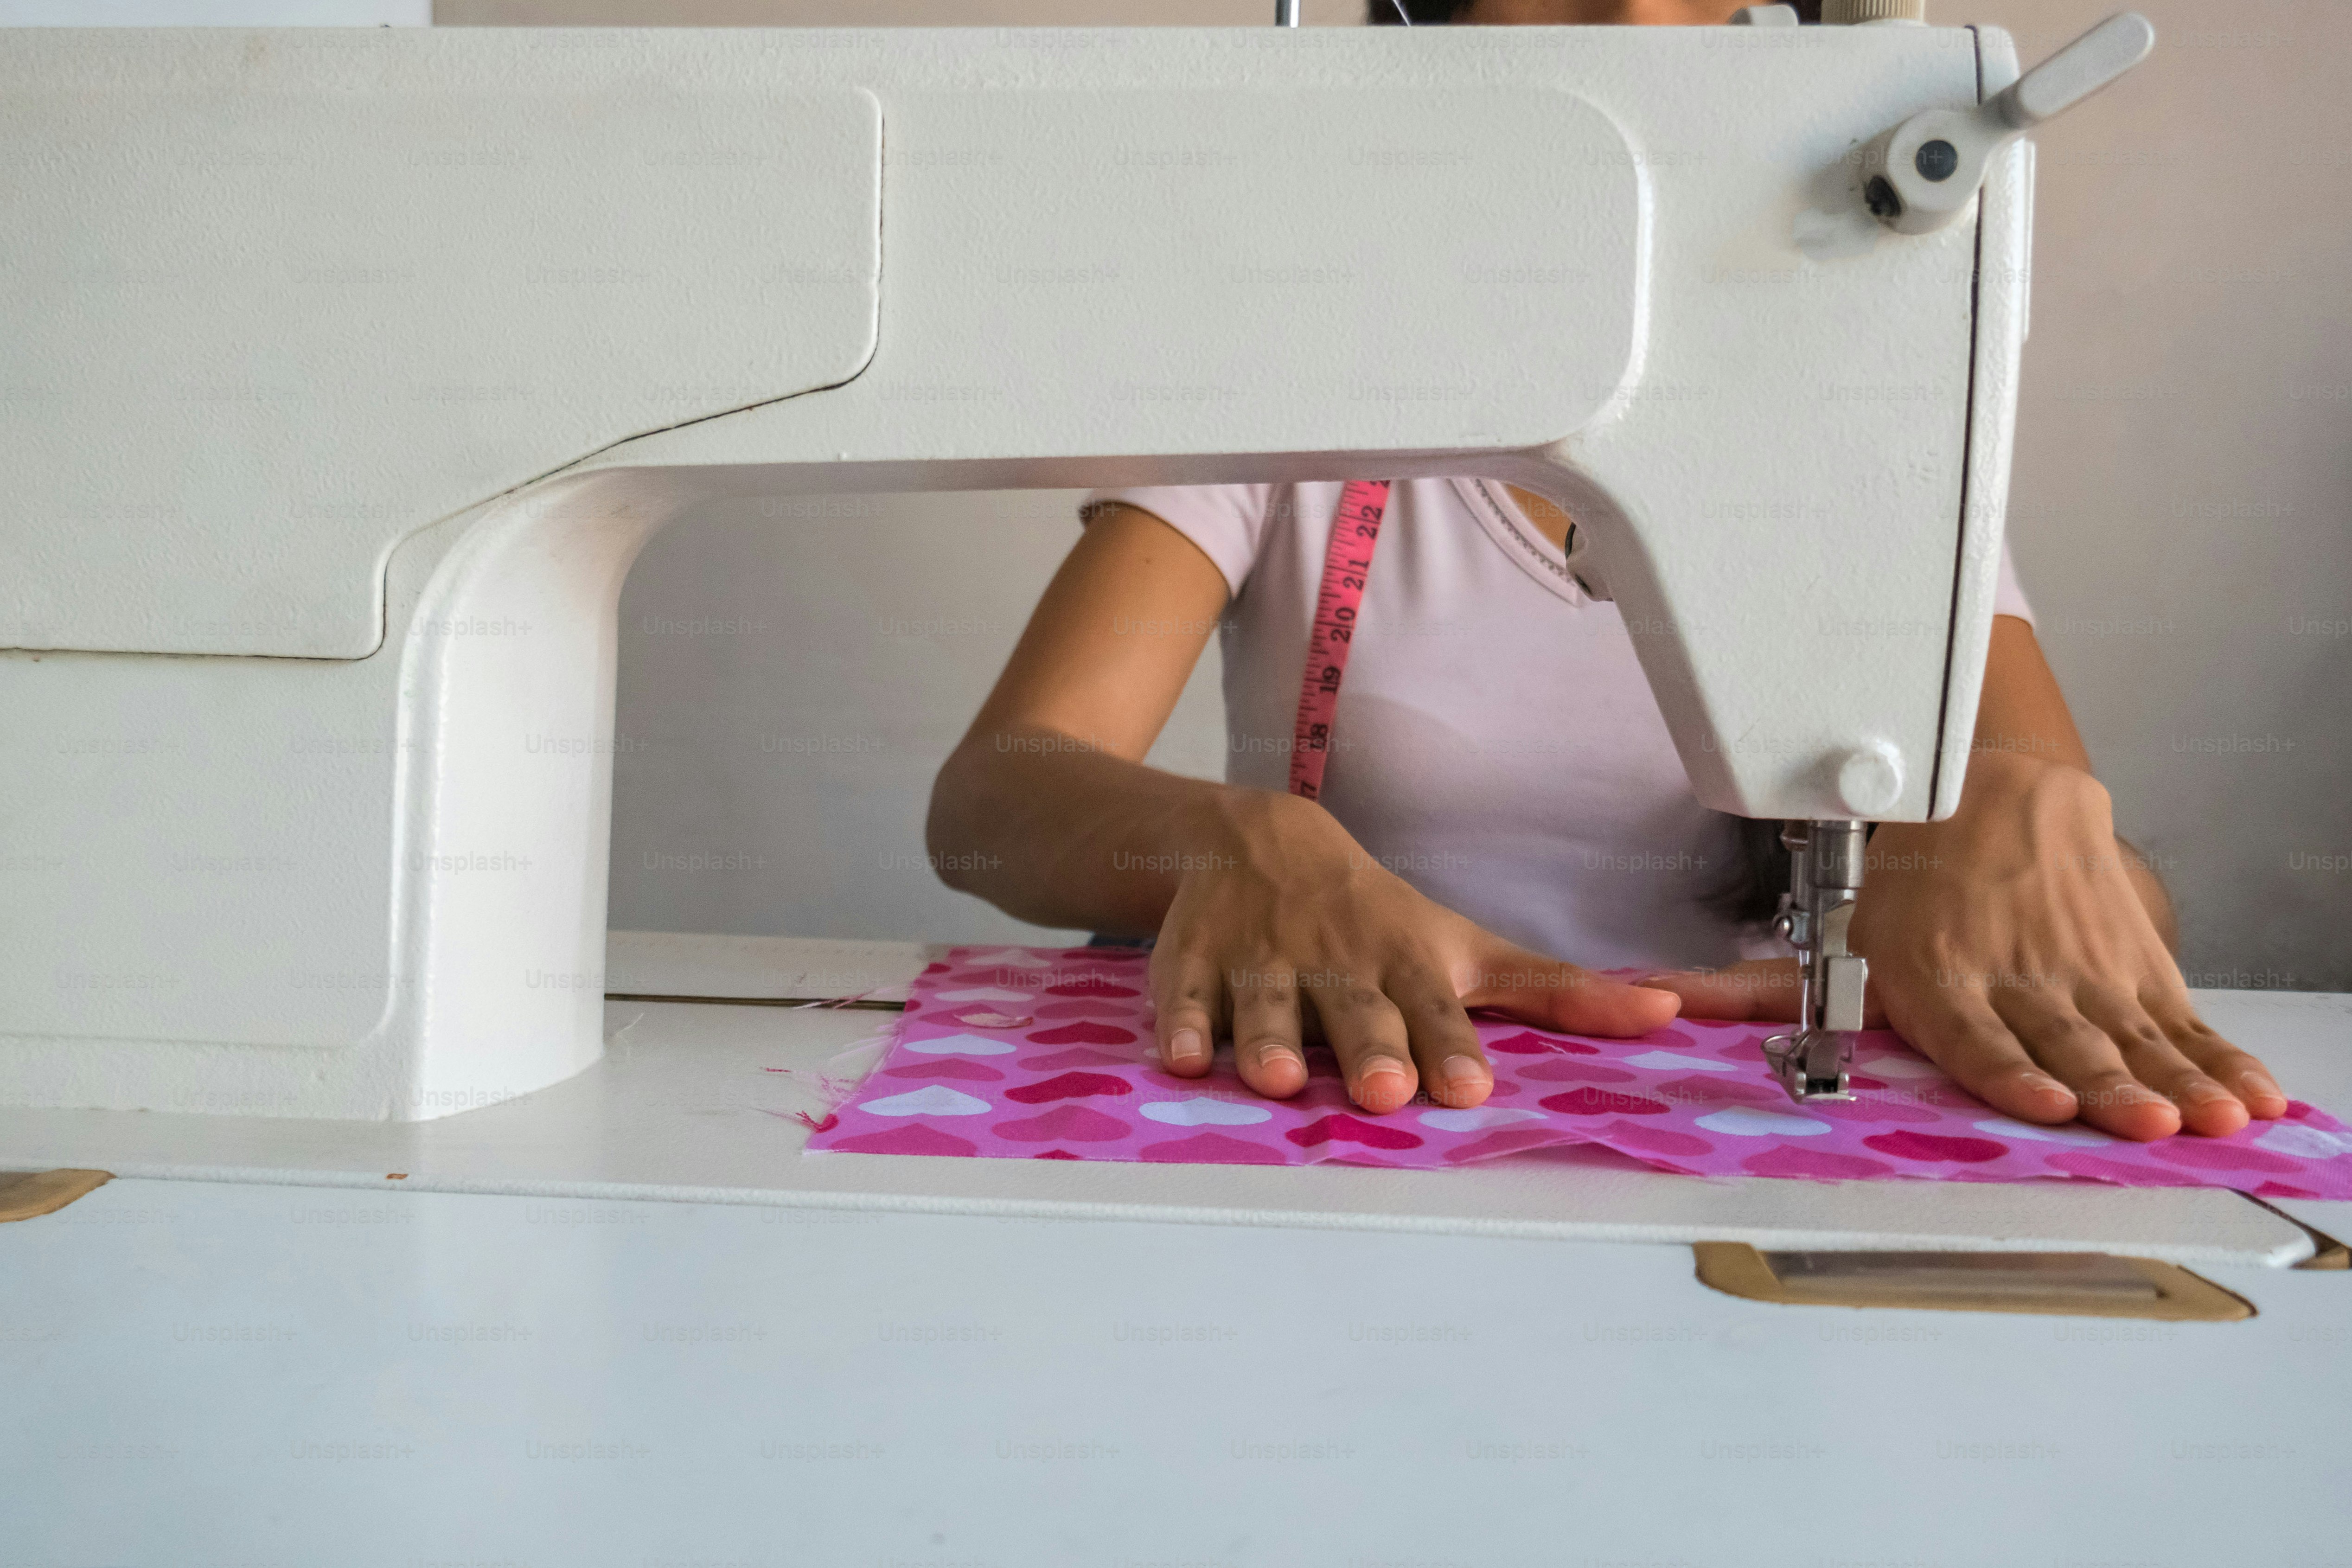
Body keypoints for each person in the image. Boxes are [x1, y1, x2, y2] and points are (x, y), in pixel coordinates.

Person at [923, 0, 2287, 1145]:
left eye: (1706, 15)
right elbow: (998, 794)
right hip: (1383, 1112)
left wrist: (1998, 823)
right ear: (1422, 46)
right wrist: (1233, 842)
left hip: (1767, 1140)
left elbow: (2103, 892)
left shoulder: (1854, 447)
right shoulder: (1303, 392)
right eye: (1576, 8)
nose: (1652, 57)